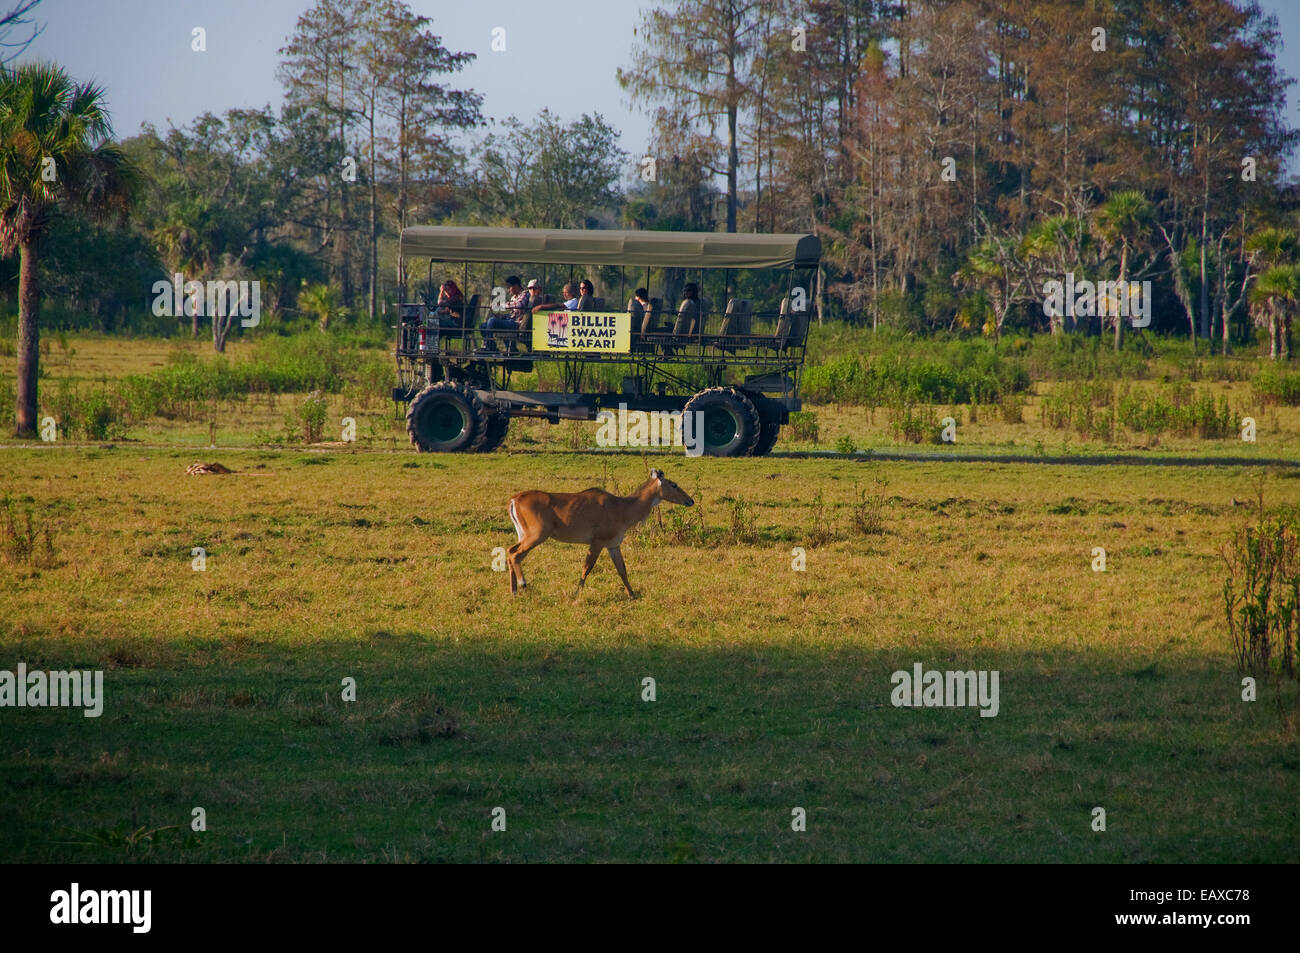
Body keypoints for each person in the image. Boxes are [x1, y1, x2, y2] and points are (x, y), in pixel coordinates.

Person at [481, 275, 527, 352]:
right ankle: (493, 347)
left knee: (492, 321)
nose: (509, 290)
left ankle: (488, 346)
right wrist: (503, 316)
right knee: (483, 326)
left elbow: (519, 305)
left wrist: (500, 305)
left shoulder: (525, 294)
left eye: (509, 287)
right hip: (510, 320)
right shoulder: (514, 297)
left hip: (516, 323)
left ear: (515, 286)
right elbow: (513, 313)